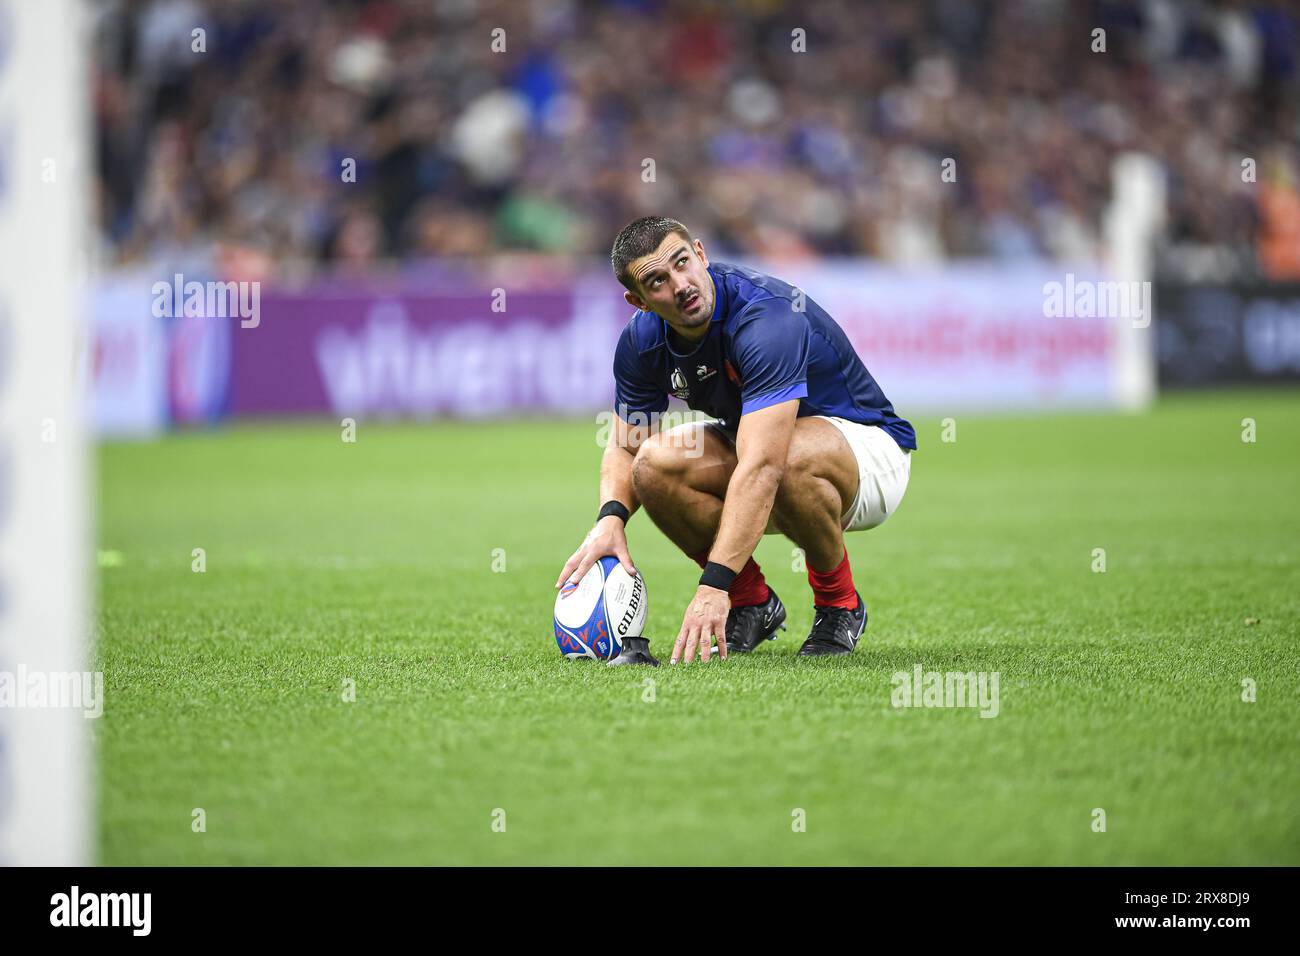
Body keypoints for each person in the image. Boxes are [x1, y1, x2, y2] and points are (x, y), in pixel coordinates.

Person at [556, 217, 916, 665]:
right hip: (766, 453)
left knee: (782, 457)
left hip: (869, 453)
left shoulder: (767, 317)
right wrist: (610, 519)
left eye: (683, 263)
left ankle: (839, 605)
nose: (682, 285)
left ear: (702, 254)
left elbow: (764, 463)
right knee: (653, 465)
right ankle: (754, 603)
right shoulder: (641, 342)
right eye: (658, 281)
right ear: (639, 301)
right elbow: (628, 446)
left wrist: (712, 586)